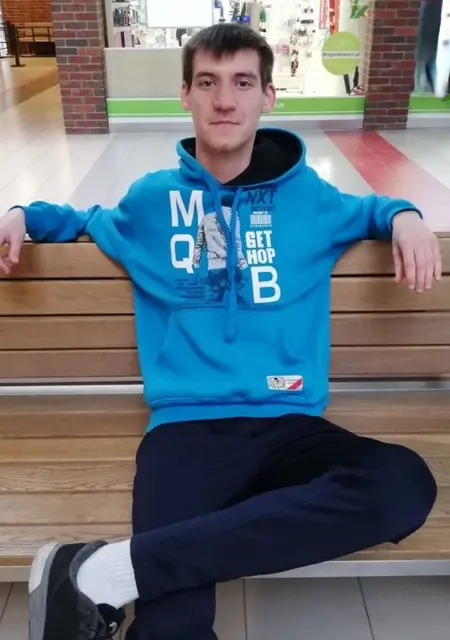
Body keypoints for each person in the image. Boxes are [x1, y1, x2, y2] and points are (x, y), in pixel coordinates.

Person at [0, 22, 442, 640]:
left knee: (401, 485)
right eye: (207, 82)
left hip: (290, 425)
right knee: (171, 629)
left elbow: (372, 209)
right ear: (185, 94)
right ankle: (134, 570)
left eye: (242, 83)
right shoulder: (152, 201)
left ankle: (104, 573)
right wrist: (22, 211)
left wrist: (406, 216)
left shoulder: (310, 198)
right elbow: (83, 217)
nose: (225, 100)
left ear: (268, 96)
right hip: (185, 432)